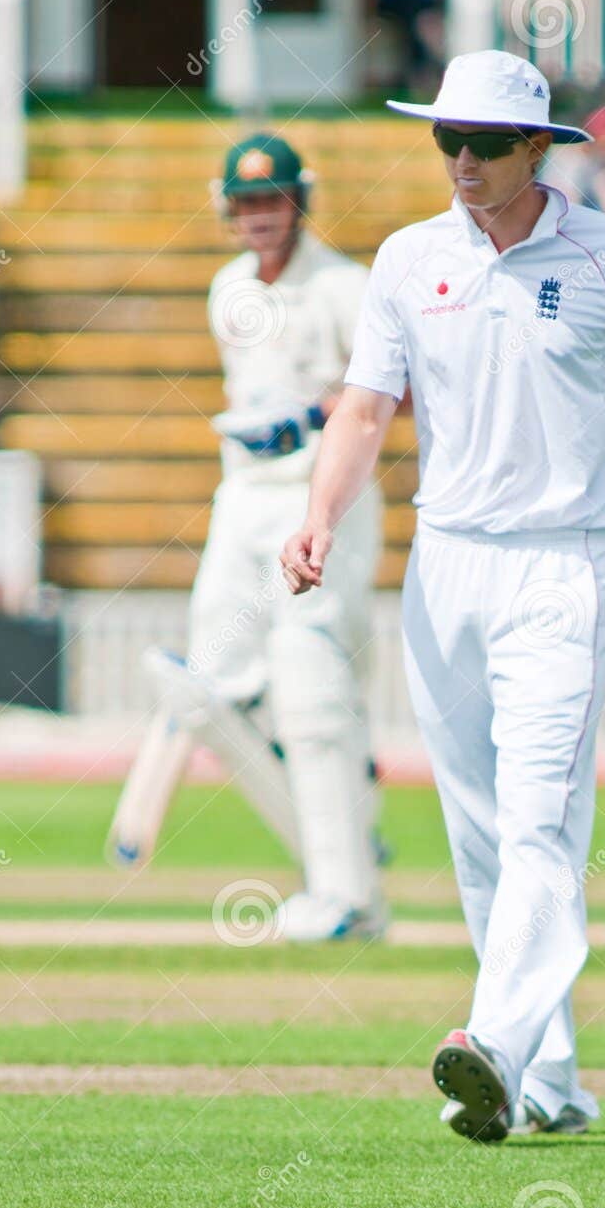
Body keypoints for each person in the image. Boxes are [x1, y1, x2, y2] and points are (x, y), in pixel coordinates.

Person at [280, 52, 605, 1141]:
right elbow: (366, 408)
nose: (461, 162)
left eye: (483, 144)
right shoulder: (407, 257)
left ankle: (493, 1045)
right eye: (446, 141)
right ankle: (548, 1082)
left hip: (562, 566)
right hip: (446, 564)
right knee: (479, 836)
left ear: (538, 149)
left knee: (538, 826)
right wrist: (320, 515)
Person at [109, 134, 386, 942]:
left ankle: (342, 888)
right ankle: (341, 831)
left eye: (271, 201)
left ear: (300, 200)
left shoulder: (344, 287)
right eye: (245, 203)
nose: (258, 217)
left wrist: (308, 419)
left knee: (310, 677)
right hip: (243, 496)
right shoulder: (226, 287)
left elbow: (380, 397)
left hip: (321, 498)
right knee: (208, 682)